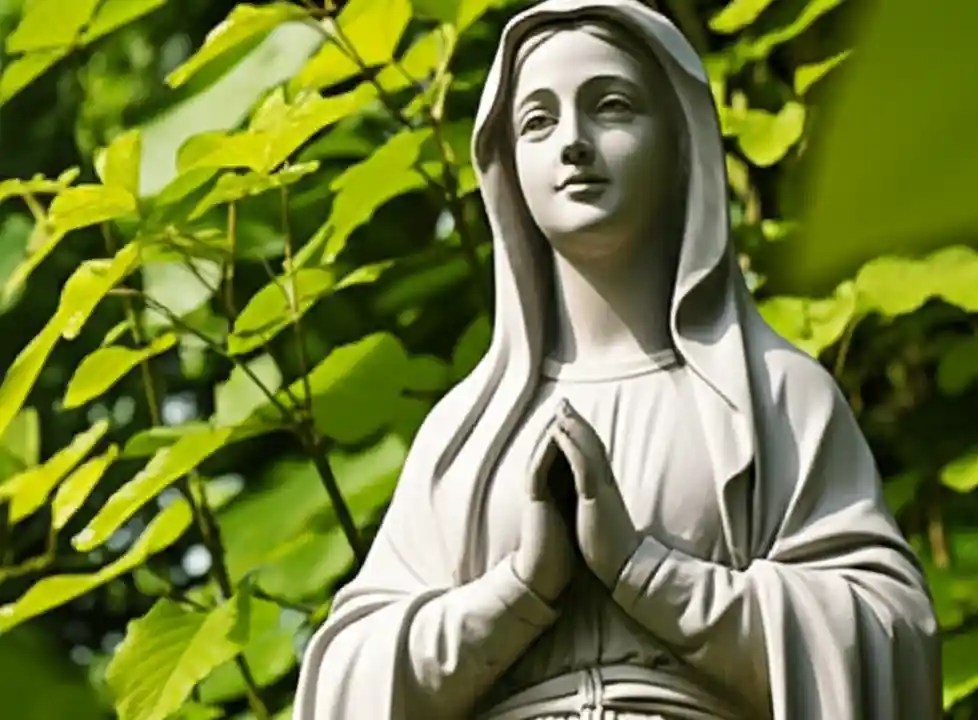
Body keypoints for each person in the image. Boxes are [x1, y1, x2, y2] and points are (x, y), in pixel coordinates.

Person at [292, 1, 940, 718]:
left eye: (612, 107)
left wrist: (644, 571)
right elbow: (352, 670)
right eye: (538, 121)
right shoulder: (466, 434)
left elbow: (885, 631)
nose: (573, 144)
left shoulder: (776, 397)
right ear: (508, 164)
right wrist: (521, 589)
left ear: (680, 147)